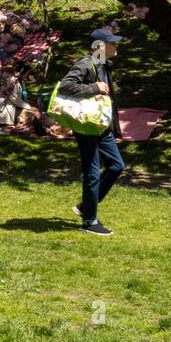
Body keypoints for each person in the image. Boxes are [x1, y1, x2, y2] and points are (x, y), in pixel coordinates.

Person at [58, 28, 125, 236]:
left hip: (101, 126)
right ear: (100, 47)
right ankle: (89, 221)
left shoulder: (105, 65)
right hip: (87, 126)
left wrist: (116, 129)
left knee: (116, 165)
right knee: (92, 173)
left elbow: (109, 101)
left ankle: (86, 206)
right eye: (112, 43)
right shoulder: (86, 63)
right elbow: (65, 86)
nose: (116, 46)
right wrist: (94, 88)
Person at [0, 61, 41, 133]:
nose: (3, 74)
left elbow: (11, 90)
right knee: (4, 105)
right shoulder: (9, 79)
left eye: (4, 72)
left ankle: (5, 121)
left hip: (9, 96)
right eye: (3, 72)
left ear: (9, 73)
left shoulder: (12, 80)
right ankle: (2, 120)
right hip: (7, 96)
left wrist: (5, 89)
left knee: (8, 106)